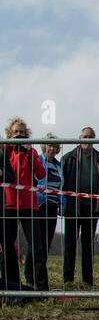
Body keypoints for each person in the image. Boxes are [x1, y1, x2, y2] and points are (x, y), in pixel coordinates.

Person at [2, 118, 46, 300]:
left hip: (29, 205)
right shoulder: (5, 151)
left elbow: (41, 174)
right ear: (9, 135)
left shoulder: (32, 152)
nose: (19, 135)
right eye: (16, 132)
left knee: (36, 246)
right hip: (8, 204)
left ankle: (42, 287)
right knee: (7, 247)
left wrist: (30, 153)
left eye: (22, 132)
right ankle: (11, 286)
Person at [61, 128, 99, 287]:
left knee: (88, 244)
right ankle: (68, 279)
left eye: (91, 137)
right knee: (70, 244)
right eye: (85, 137)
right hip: (74, 207)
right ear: (79, 138)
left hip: (92, 207)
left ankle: (88, 280)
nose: (87, 140)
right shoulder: (69, 158)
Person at [24, 135, 62, 289]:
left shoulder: (59, 165)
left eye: (55, 146)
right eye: (49, 145)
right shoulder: (37, 160)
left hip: (52, 207)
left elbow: (61, 186)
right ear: (43, 146)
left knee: (45, 244)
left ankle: (40, 276)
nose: (52, 149)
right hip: (39, 205)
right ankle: (30, 277)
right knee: (34, 243)